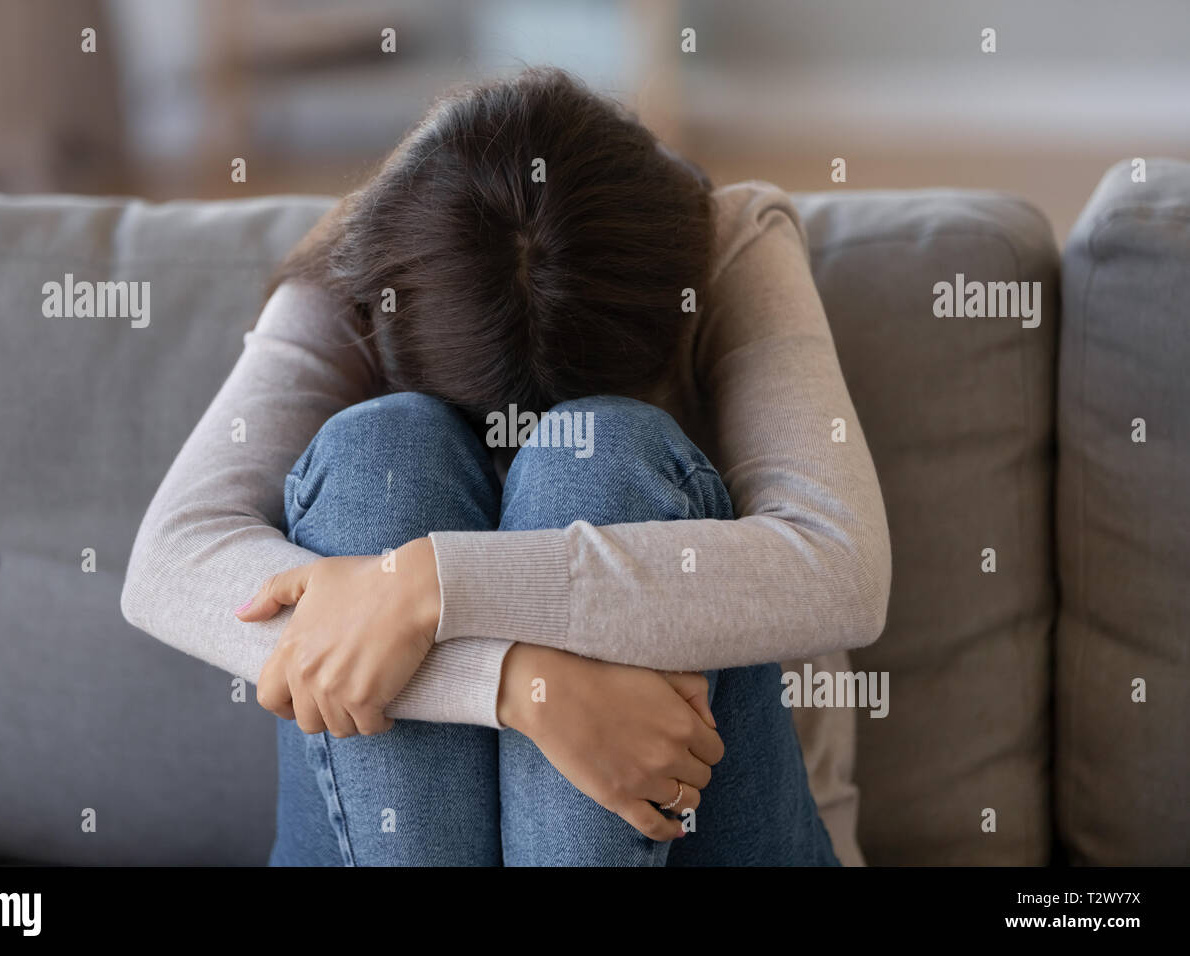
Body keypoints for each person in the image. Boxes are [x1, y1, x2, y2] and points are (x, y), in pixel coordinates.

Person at [121, 66, 891, 865]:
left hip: (721, 834)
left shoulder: (727, 244)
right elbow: (170, 562)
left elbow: (843, 570)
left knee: (595, 453)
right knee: (380, 454)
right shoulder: (367, 264)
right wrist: (517, 687)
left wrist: (428, 586)